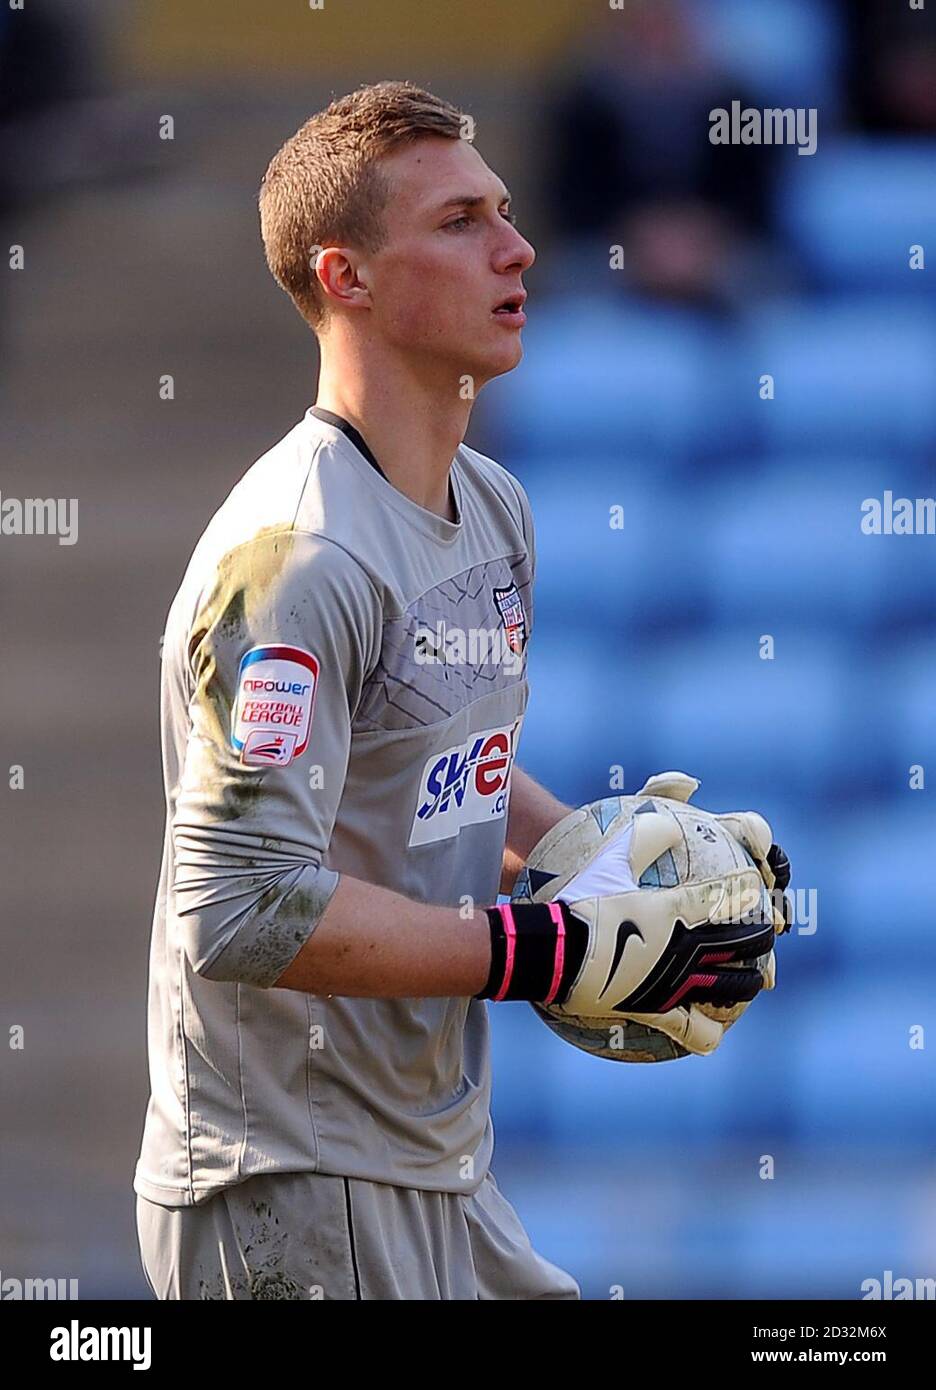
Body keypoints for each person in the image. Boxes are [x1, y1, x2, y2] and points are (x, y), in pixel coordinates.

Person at [133, 80, 784, 1301]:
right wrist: (535, 948)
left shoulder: (493, 505)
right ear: (348, 277)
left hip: (435, 1163)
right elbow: (238, 909)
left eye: (507, 211)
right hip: (289, 1179)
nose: (518, 246)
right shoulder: (296, 559)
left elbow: (440, 767)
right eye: (461, 221)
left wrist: (627, 859)